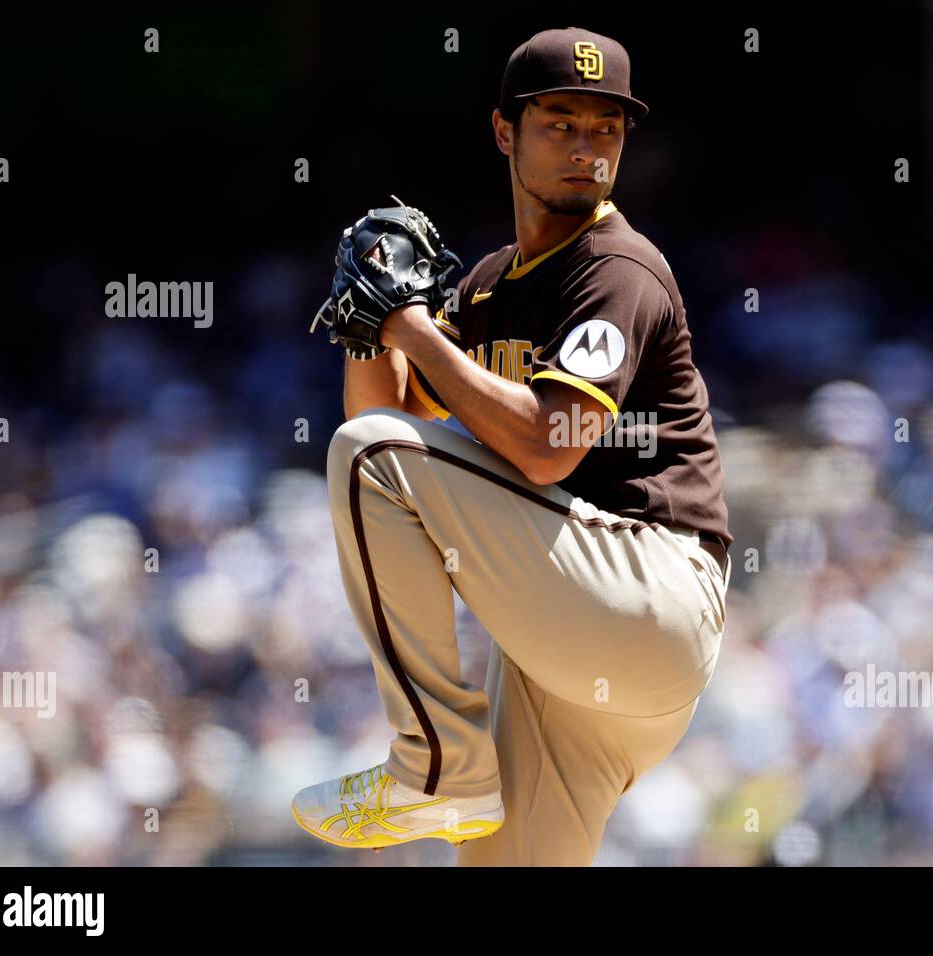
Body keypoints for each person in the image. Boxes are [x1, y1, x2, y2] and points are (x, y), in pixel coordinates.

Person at [291, 26, 732, 866]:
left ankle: (437, 765)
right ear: (506, 132)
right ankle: (451, 773)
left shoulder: (618, 268)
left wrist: (413, 328)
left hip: (650, 589)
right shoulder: (489, 286)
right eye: (559, 122)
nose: (585, 146)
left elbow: (544, 447)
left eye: (605, 127)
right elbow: (389, 410)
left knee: (369, 456)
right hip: (569, 657)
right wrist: (367, 331)